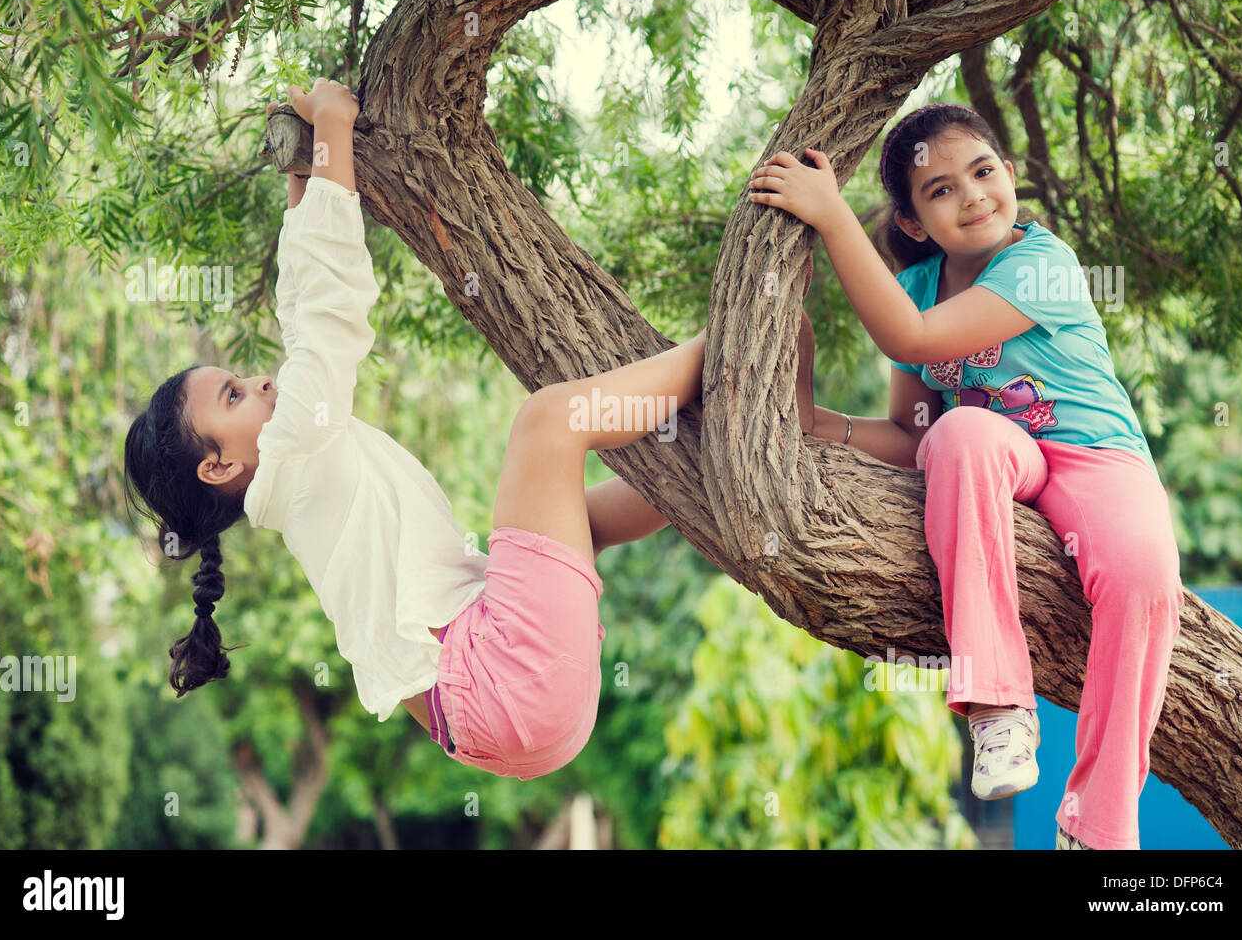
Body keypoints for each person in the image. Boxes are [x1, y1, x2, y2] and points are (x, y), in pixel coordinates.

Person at [123, 78, 722, 781]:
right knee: (546, 426)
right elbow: (326, 318)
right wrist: (336, 132)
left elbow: (301, 312)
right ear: (219, 467)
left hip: (504, 723)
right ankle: (722, 349)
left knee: (569, 519)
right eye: (232, 393)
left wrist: (304, 177)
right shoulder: (296, 445)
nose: (257, 381)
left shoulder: (293, 478)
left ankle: (709, 466)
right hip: (499, 679)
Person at [747, 102, 1184, 850]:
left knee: (1145, 578)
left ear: (1010, 177)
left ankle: (1101, 825)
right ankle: (997, 707)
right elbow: (916, 428)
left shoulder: (1042, 263)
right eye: (942, 189)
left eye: (983, 172)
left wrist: (832, 219)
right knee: (957, 432)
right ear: (915, 222)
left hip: (1094, 452)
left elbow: (907, 336)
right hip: (1000, 457)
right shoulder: (917, 286)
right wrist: (831, 428)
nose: (974, 194)